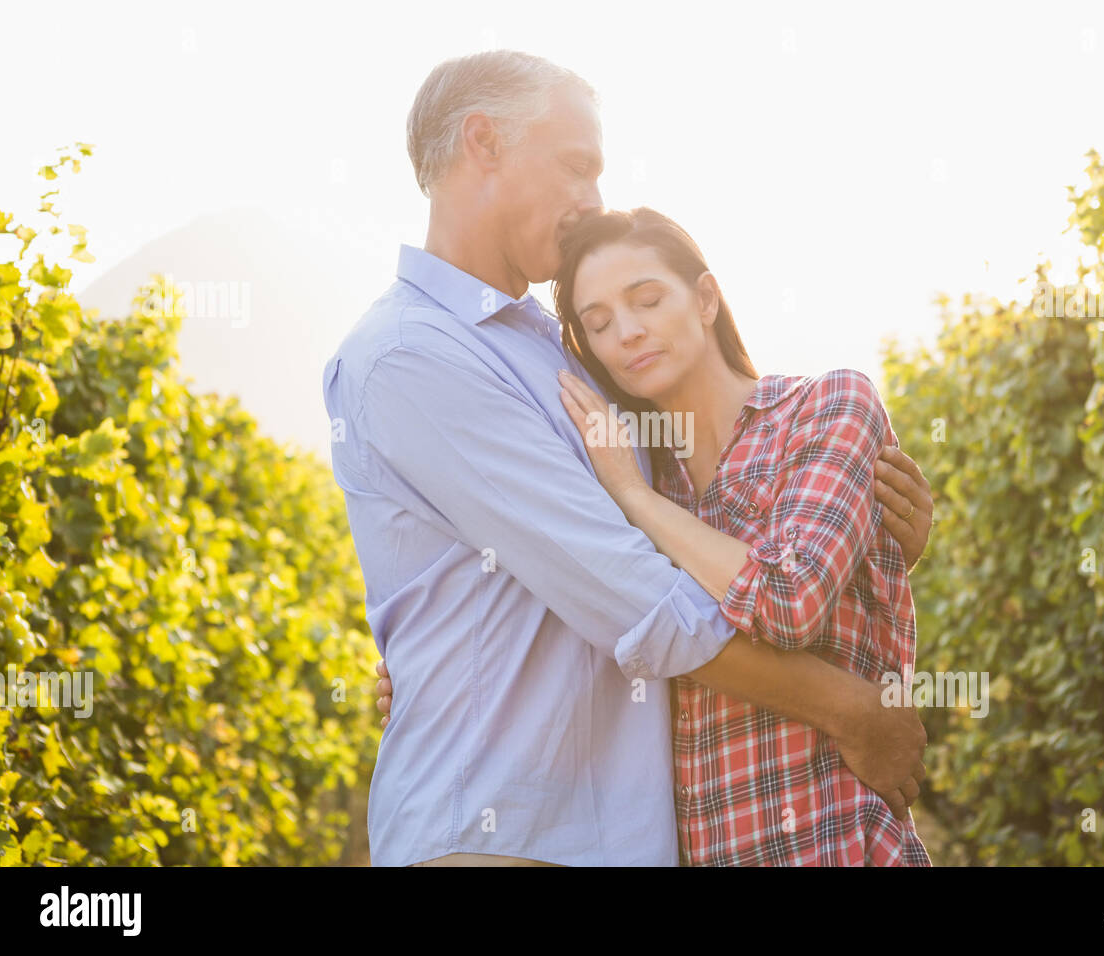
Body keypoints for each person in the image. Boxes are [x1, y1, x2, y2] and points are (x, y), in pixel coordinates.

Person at [335, 50, 933, 867]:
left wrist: (877, 550)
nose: (593, 199)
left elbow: (696, 562)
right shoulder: (411, 354)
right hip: (500, 837)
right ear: (483, 143)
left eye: (645, 303)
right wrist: (849, 708)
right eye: (578, 166)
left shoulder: (562, 355)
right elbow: (629, 592)